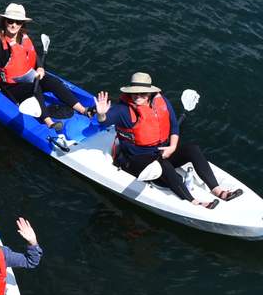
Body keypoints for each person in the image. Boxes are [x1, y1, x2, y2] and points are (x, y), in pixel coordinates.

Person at [93, 72, 243, 209]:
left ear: (150, 93)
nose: (138, 96)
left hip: (162, 152)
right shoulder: (122, 110)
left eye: (143, 93)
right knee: (163, 165)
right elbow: (105, 121)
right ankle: (193, 201)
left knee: (192, 149)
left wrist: (172, 146)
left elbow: (174, 126)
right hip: (135, 160)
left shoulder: (161, 102)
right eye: (134, 92)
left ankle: (217, 190)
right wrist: (101, 114)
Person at [0, 0, 91, 131]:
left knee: (52, 81)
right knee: (34, 87)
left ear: (22, 24)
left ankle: (83, 110)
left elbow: (33, 55)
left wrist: (40, 67)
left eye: (18, 22)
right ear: (4, 21)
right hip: (9, 87)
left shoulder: (23, 37)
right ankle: (49, 122)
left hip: (28, 77)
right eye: (10, 21)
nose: (14, 25)